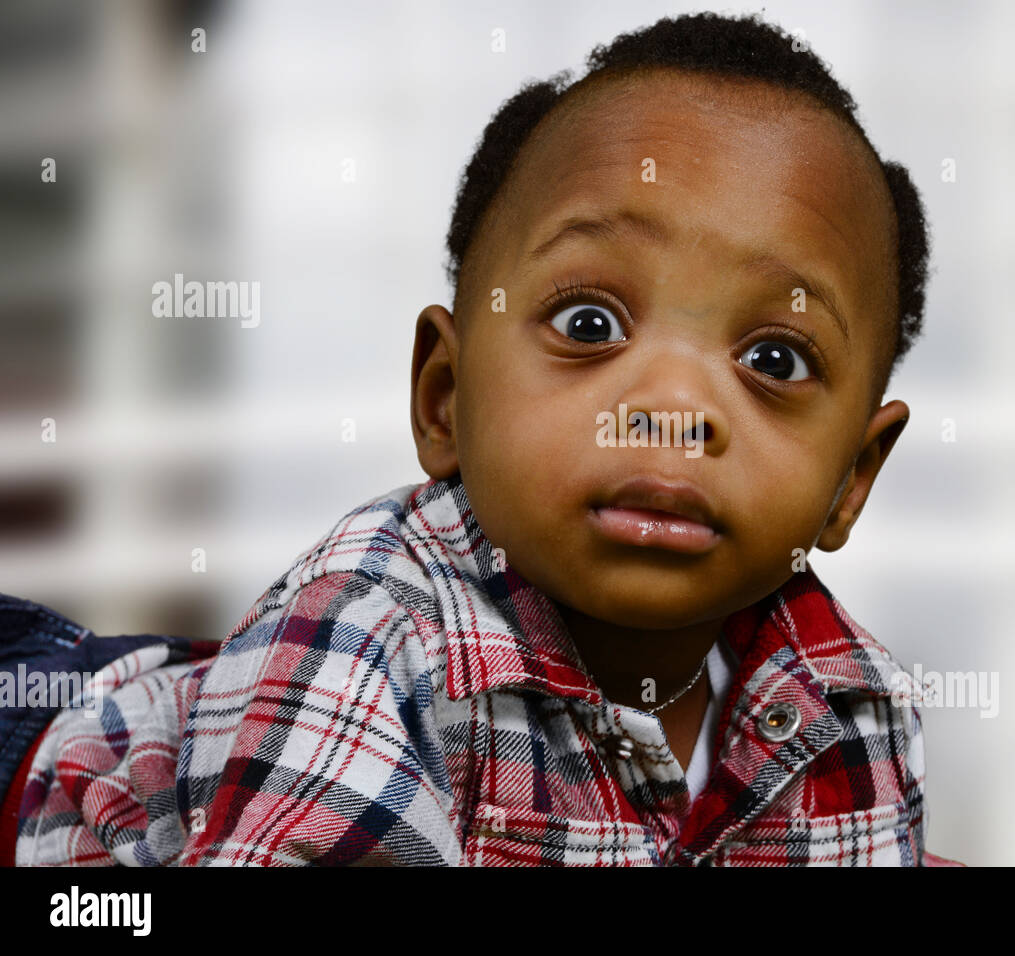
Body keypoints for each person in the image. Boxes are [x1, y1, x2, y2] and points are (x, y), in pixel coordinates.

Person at [3, 11, 961, 866]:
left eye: (775, 359)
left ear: (850, 481)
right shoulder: (372, 629)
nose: (674, 408)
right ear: (445, 397)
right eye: (590, 324)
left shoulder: (851, 708)